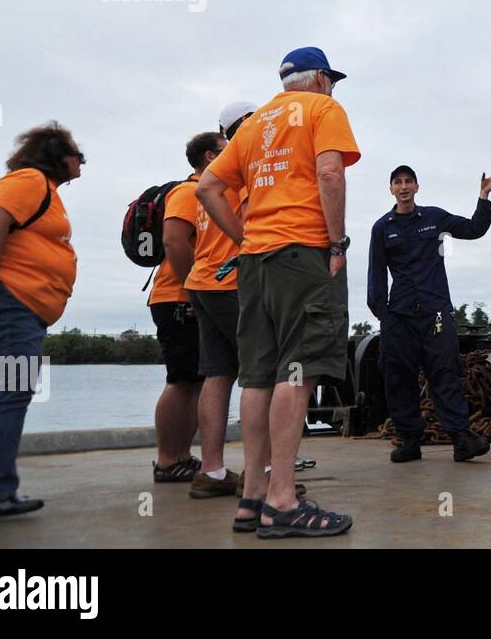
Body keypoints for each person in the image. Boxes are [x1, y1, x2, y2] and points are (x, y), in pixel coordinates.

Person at [197, 47, 358, 539]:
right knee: (301, 368)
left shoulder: (252, 124)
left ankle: (252, 497)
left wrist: (243, 238)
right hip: (303, 255)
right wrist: (335, 243)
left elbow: (208, 188)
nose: (333, 87)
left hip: (256, 264)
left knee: (259, 375)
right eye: (331, 79)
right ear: (321, 79)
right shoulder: (323, 109)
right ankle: (283, 500)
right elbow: (330, 173)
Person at [0, 123, 83, 520]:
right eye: (78, 155)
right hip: (8, 303)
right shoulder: (30, 179)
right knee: (8, 393)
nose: (82, 163)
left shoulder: (42, 188)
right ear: (56, 155)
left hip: (10, 304)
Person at [367, 165, 491, 464]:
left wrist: (483, 196)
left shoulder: (434, 217)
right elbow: (376, 275)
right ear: (391, 189)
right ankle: (409, 441)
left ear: (417, 187)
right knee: (399, 377)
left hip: (435, 313)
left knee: (445, 372)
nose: (403, 187)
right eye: (398, 183)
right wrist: (383, 315)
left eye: (408, 182)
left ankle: (461, 439)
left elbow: (474, 229)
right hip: (399, 315)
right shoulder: (382, 228)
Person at [183, 104, 257, 499]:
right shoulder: (241, 168)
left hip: (202, 282)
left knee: (217, 374)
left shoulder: (209, 176)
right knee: (260, 372)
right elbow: (251, 221)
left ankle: (210, 472)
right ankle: (258, 474)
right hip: (234, 283)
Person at [147, 134, 220, 484]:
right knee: (180, 380)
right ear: (209, 156)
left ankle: (181, 455)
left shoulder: (209, 191)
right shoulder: (188, 192)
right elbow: (173, 239)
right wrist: (193, 292)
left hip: (191, 298)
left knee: (195, 380)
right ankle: (166, 459)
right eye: (225, 150)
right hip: (177, 299)